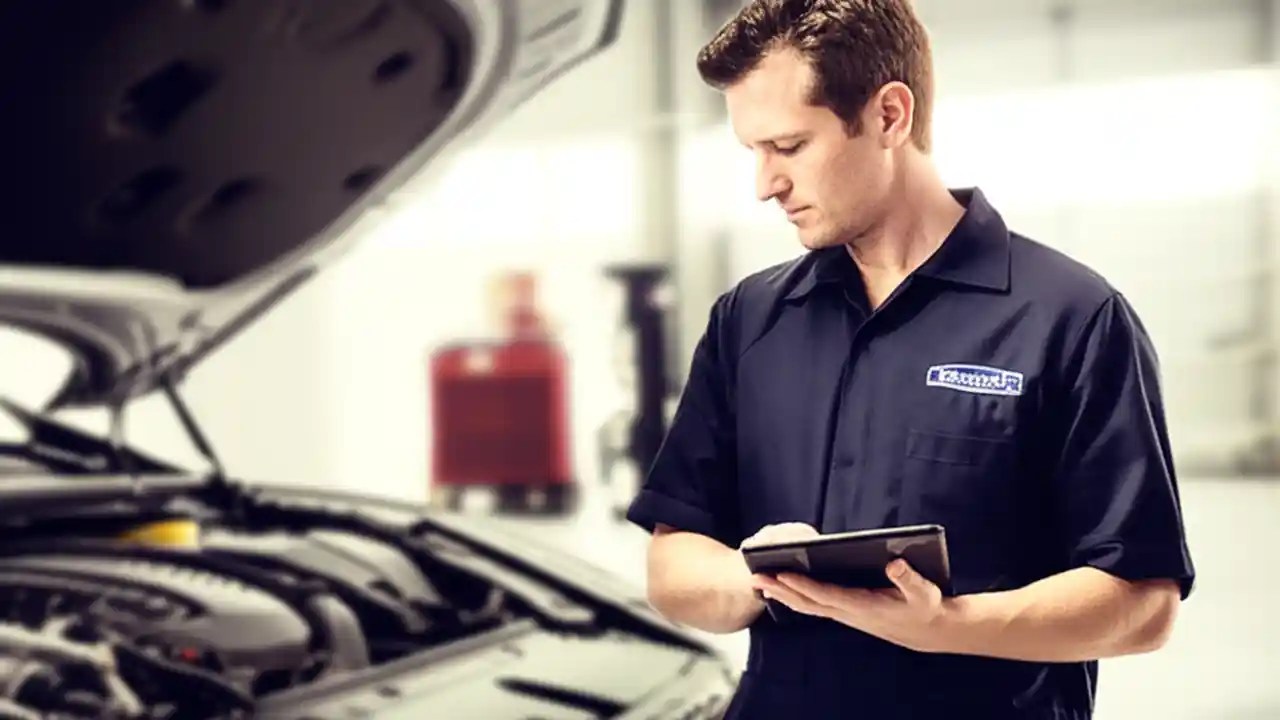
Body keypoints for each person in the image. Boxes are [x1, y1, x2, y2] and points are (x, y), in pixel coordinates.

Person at [624, 1, 1197, 717]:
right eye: (754, 152)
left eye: (790, 146)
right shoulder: (750, 320)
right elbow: (673, 564)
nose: (765, 183)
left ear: (891, 116)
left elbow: (1142, 601)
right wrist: (756, 575)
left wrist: (945, 627)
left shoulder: (1071, 318)